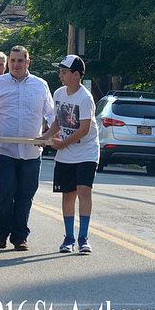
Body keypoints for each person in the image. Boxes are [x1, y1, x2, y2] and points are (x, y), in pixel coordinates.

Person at [0, 45, 55, 251]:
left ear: (27, 62)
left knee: (25, 195)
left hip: (31, 151)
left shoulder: (40, 85)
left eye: (20, 60)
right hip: (4, 150)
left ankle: (20, 236)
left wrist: (49, 135)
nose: (15, 64)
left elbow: (51, 114)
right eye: (12, 61)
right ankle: (2, 233)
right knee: (5, 193)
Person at [39, 55, 99, 254]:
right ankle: (69, 238)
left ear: (76, 75)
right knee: (68, 193)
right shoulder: (58, 93)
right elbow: (57, 121)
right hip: (66, 152)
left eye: (64, 72)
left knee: (83, 190)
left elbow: (84, 129)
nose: (60, 76)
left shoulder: (85, 98)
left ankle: (83, 237)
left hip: (86, 151)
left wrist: (61, 144)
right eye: (60, 72)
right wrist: (44, 137)